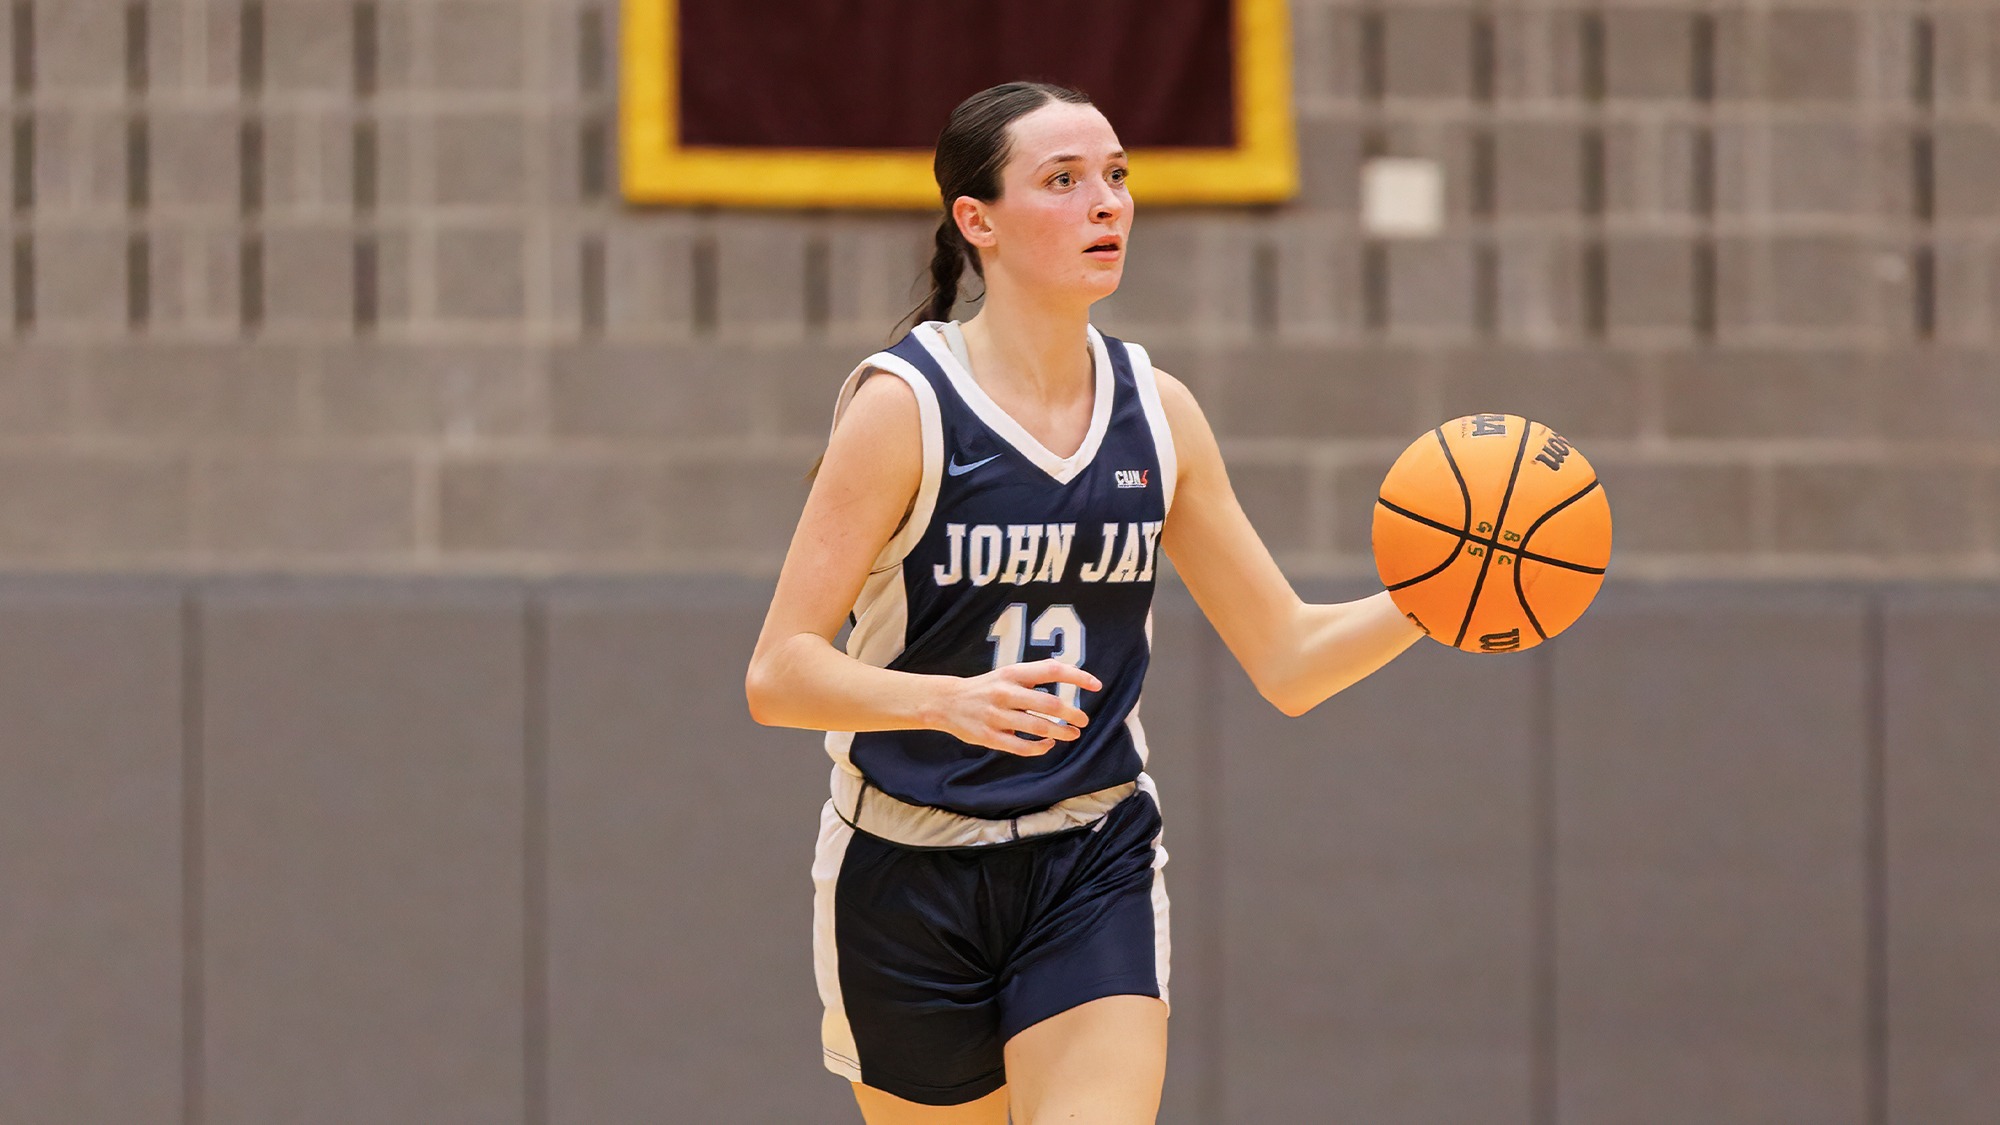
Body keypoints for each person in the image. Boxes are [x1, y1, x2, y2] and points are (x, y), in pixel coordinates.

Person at [745, 81, 1424, 1125]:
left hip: (1087, 855)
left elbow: (1287, 658)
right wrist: (945, 702)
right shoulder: (903, 409)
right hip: (905, 872)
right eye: (1061, 181)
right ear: (979, 222)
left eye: (1114, 176)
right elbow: (778, 673)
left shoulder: (1159, 414)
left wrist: (1438, 597)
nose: (1105, 202)